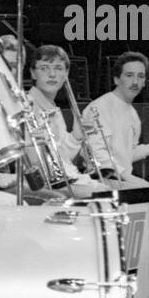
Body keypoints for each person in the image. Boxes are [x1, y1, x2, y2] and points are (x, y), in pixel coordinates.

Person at [72, 52, 149, 188]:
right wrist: (130, 178)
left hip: (121, 179)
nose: (135, 82)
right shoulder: (99, 107)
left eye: (140, 76)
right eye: (129, 75)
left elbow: (126, 155)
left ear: (144, 83)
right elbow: (97, 156)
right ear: (116, 79)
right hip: (101, 180)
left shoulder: (132, 113)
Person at [25, 45, 110, 197]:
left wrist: (76, 137)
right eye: (44, 68)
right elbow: (37, 166)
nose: (52, 74)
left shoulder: (53, 109)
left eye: (58, 68)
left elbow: (63, 159)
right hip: (42, 183)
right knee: (108, 194)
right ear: (33, 73)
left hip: (67, 178)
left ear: (66, 73)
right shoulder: (27, 106)